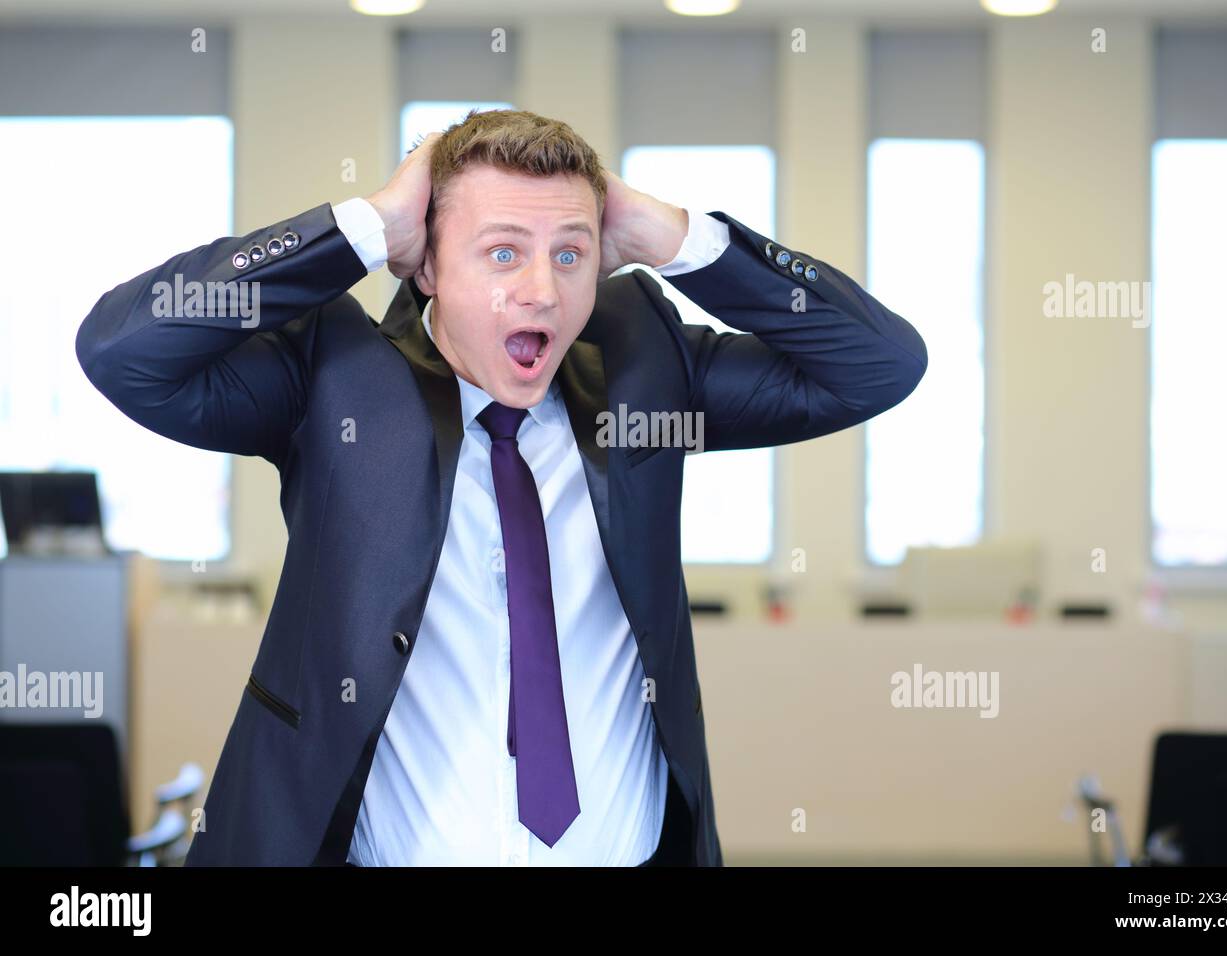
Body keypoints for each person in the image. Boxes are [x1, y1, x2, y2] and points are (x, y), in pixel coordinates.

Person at [76, 108, 927, 866]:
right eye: (502, 253)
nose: (541, 290)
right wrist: (364, 227)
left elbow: (878, 365)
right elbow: (125, 351)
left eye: (570, 253)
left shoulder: (644, 370)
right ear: (428, 268)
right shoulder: (333, 377)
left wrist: (671, 235)